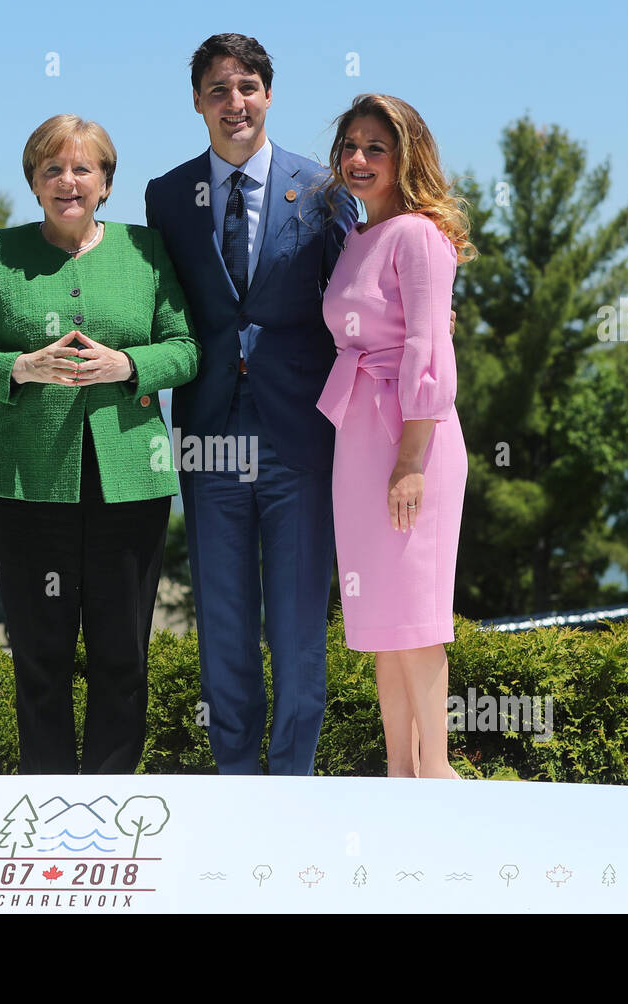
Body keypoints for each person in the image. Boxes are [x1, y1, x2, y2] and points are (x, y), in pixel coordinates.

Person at [145, 34, 454, 775]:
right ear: (196, 101)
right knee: (222, 622)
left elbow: (365, 300)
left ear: (269, 95)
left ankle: (294, 783)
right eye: (217, 89)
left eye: (247, 86)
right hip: (209, 438)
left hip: (306, 439)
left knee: (297, 625)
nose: (234, 103)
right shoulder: (165, 196)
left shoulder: (323, 192)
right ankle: (235, 778)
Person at [0, 114, 199, 774]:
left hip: (129, 485)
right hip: (26, 486)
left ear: (107, 183)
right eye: (52, 168)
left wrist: (129, 367)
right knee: (41, 656)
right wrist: (19, 367)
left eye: (83, 168)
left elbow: (187, 349)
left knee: (122, 656)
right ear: (33, 181)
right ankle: (48, 799)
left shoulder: (146, 251)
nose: (68, 181)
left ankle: (109, 801)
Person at [314, 94, 476, 779]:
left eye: (375, 148)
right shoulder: (356, 238)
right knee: (382, 620)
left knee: (417, 613)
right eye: (350, 146)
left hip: (414, 440)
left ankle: (435, 773)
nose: (357, 159)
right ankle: (397, 773)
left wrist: (410, 461)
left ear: (406, 157)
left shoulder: (419, 236)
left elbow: (428, 349)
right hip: (356, 437)